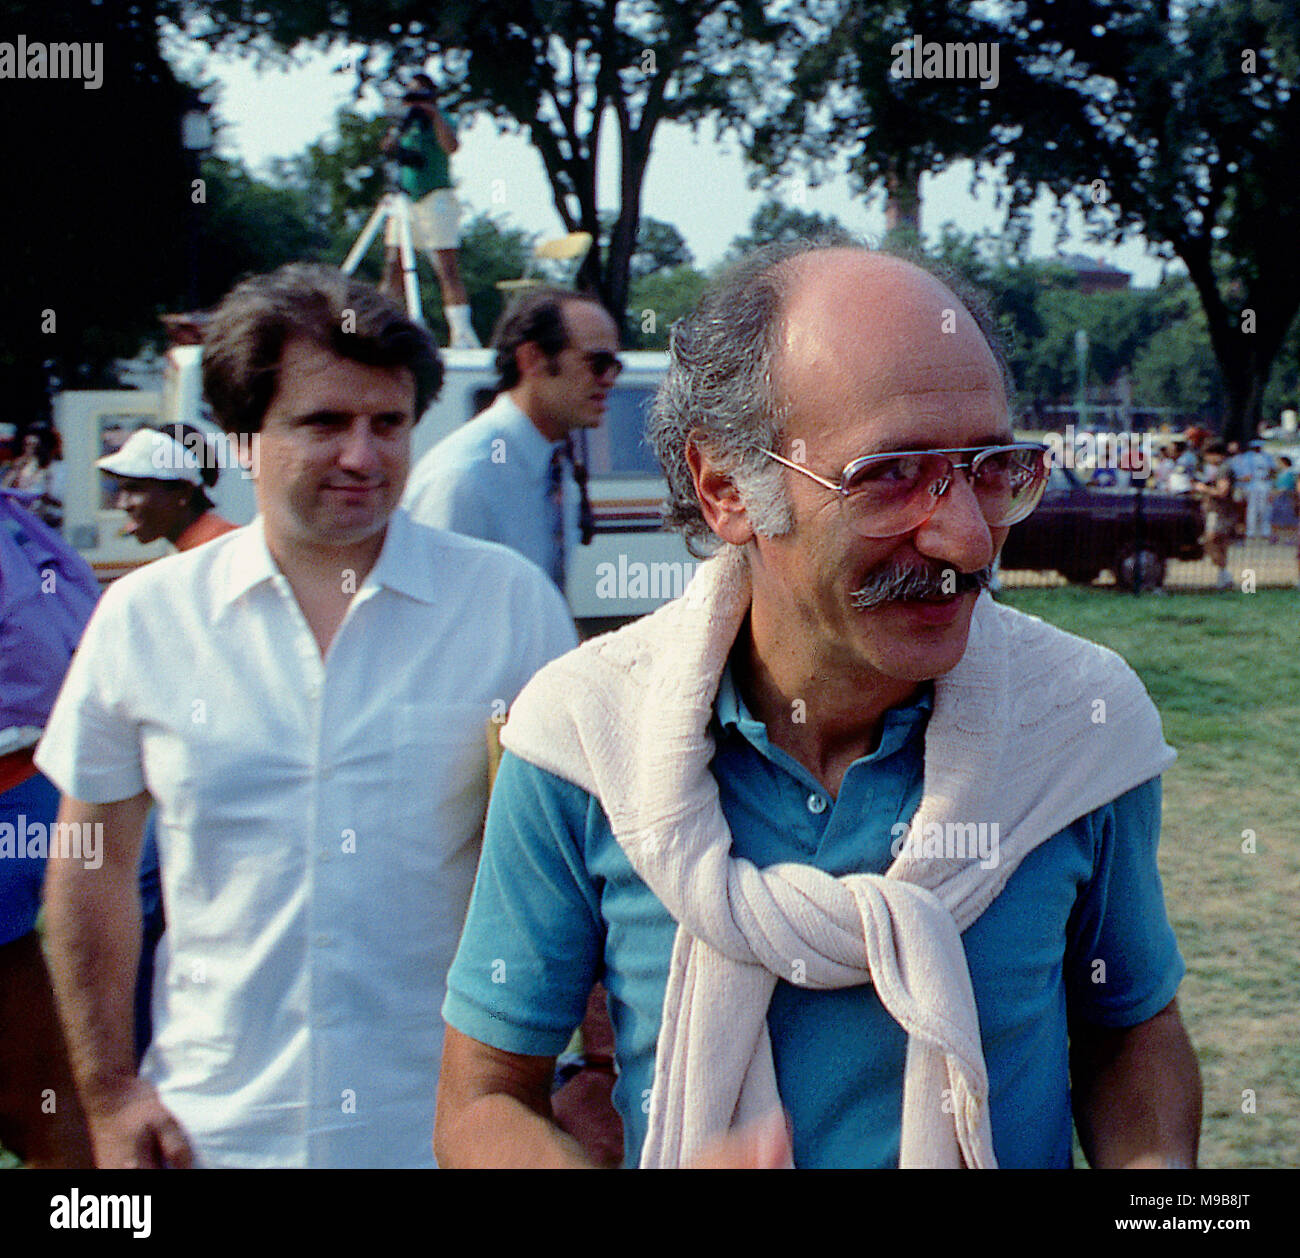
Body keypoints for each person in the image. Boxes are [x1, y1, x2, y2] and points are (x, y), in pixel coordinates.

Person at [433, 240, 1201, 1169]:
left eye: (993, 467)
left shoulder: (1078, 729)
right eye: (889, 477)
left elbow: (1130, 1033)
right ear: (727, 491)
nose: (965, 540)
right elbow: (484, 1102)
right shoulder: (584, 740)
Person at [37, 263, 576, 1168]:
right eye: (324, 423)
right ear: (243, 437)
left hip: (446, 1130)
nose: (363, 456)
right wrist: (108, 1090)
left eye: (388, 424)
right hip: (212, 1132)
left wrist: (591, 1068)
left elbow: (579, 860)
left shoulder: (508, 607)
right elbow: (93, 867)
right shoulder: (145, 618)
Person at [404, 286, 622, 591]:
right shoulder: (463, 481)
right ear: (532, 359)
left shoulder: (557, 470)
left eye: (615, 366)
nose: (610, 379)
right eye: (598, 363)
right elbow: (428, 619)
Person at [381, 72, 480, 348]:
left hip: (436, 198)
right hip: (405, 200)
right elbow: (388, 148)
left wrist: (434, 115)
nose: (415, 103)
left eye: (420, 96)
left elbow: (451, 147)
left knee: (446, 267)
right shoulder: (405, 123)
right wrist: (393, 137)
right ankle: (385, 329)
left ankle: (460, 333)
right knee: (394, 265)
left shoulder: (443, 119)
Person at [97, 424, 238, 552]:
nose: (122, 504)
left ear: (184, 493)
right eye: (121, 490)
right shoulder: (201, 548)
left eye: (135, 489)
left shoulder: (219, 550)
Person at [1191, 440, 1238, 590]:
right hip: (1221, 510)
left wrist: (1203, 488)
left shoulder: (1224, 469)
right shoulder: (1222, 468)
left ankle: (1224, 572)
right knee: (1220, 543)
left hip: (1219, 511)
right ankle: (1223, 575)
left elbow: (1222, 492)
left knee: (1210, 540)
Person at [2, 427, 64, 529]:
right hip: (20, 517)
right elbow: (5, 488)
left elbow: (55, 496)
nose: (31, 449)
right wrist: (15, 470)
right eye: (28, 445)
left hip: (41, 518)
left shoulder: (51, 468)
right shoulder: (22, 466)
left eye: (35, 445)